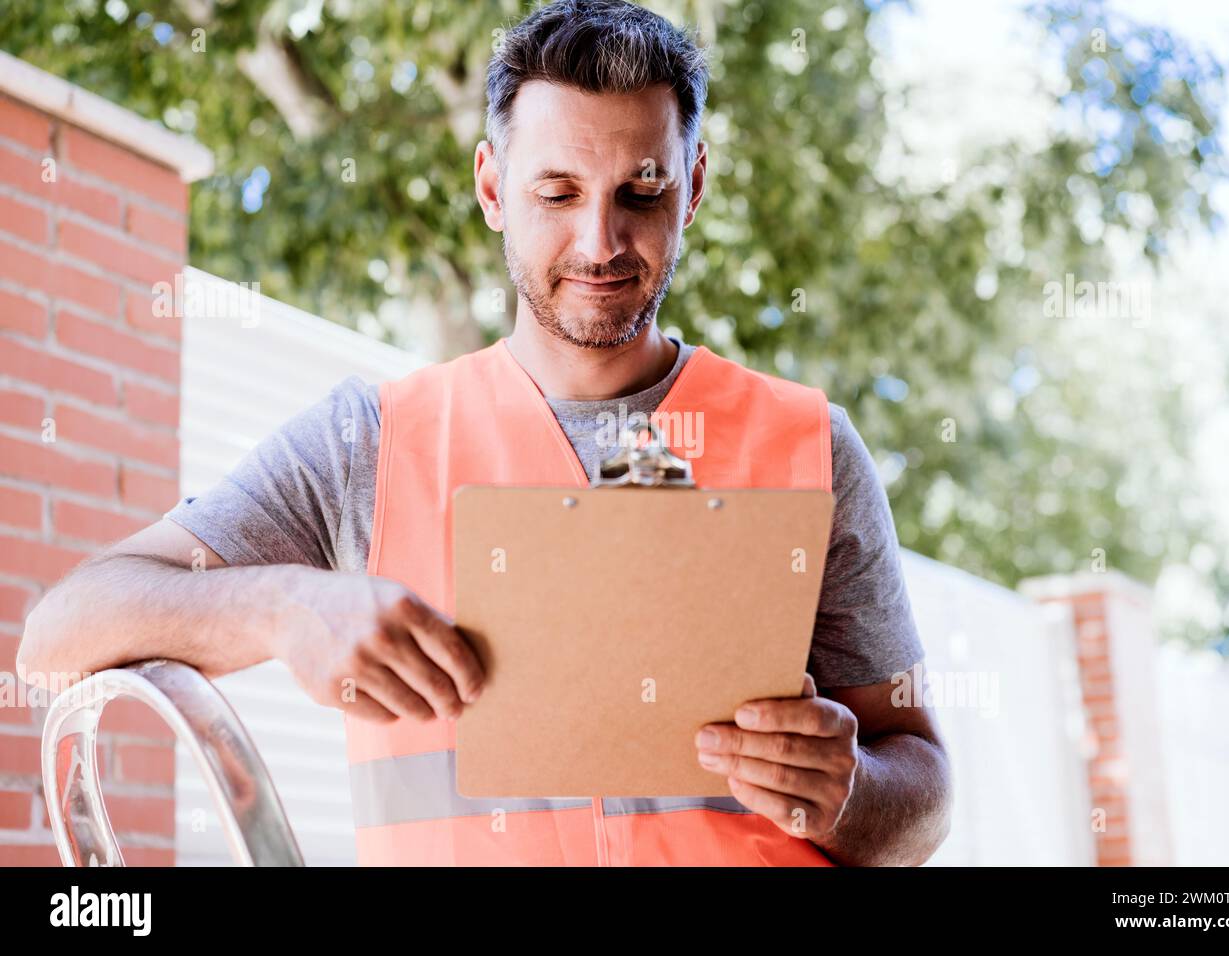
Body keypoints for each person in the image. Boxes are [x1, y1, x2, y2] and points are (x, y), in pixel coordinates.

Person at [20, 0, 951, 866]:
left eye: (641, 190)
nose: (600, 241)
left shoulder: (806, 444)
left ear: (694, 186)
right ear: (492, 186)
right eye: (557, 192)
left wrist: (852, 789)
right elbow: (58, 632)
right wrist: (281, 607)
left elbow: (925, 799)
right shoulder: (368, 444)